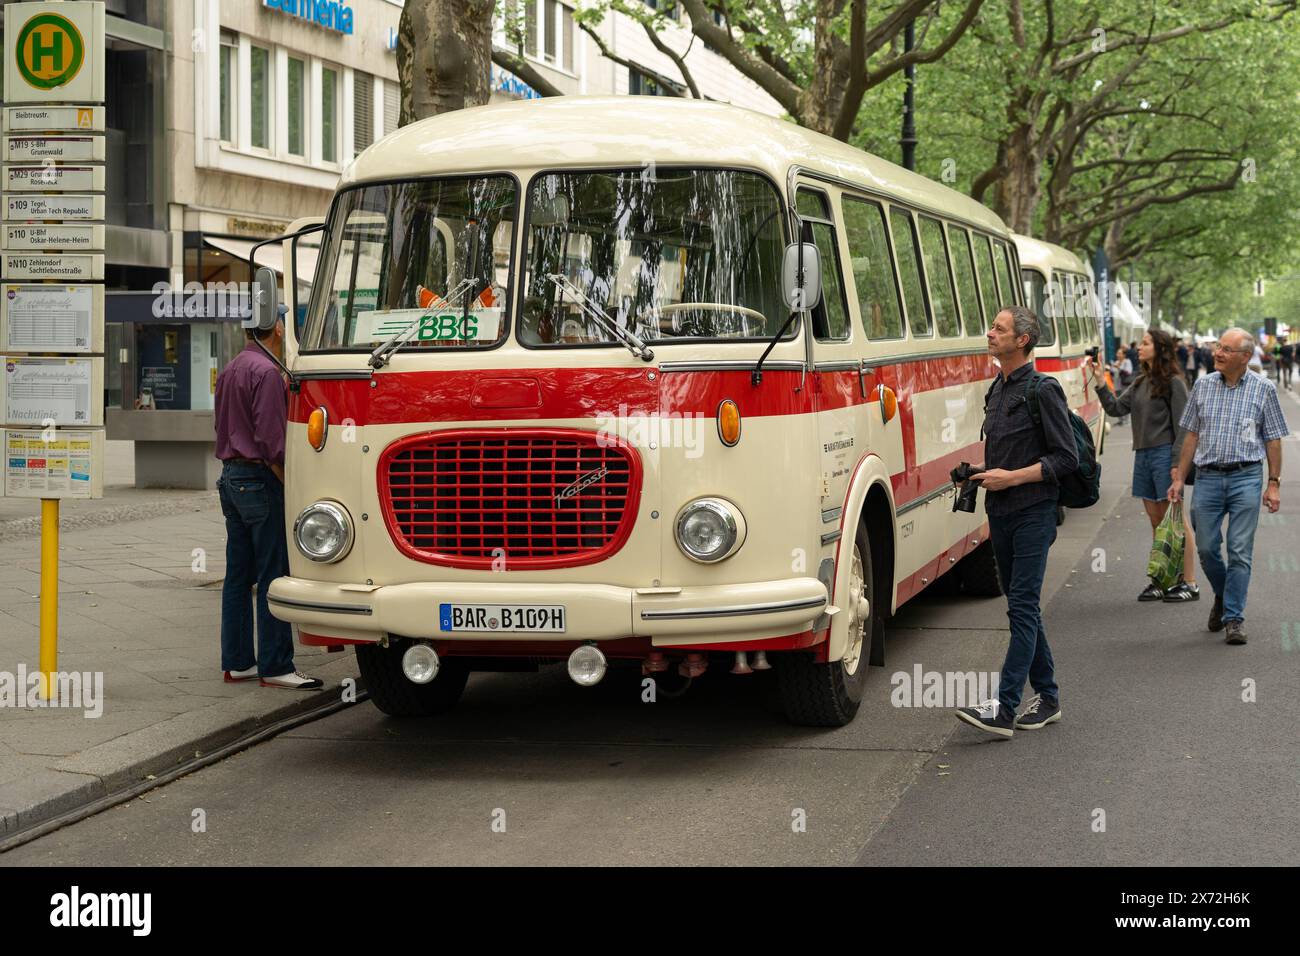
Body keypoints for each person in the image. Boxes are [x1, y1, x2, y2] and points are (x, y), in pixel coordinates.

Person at [955, 305, 1079, 737]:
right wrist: (980, 473)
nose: (990, 333)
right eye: (991, 326)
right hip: (1000, 512)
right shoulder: (998, 388)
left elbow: (1066, 458)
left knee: (1022, 606)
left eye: (999, 328)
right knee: (1020, 606)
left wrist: (1013, 478)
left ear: (1022, 340)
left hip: (1034, 512)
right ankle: (1048, 697)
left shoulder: (1043, 389)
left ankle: (1004, 708)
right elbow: (1004, 450)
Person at [214, 314, 323, 690]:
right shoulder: (267, 373)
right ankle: (276, 664)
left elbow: (221, 427)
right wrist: (293, 479)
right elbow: (273, 441)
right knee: (273, 573)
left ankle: (238, 661)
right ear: (277, 328)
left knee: (238, 576)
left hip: (230, 477)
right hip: (259, 479)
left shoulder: (231, 369)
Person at [1169, 328, 1288, 645]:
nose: (1217, 353)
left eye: (1225, 349)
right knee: (1207, 549)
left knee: (1239, 551)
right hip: (1207, 477)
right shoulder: (1203, 385)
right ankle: (1223, 596)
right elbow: (1191, 435)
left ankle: (1234, 618)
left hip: (1246, 477)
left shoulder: (1264, 389)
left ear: (1245, 357)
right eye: (1217, 347)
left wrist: (1273, 483)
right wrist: (1179, 477)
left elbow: (1273, 439)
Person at [1087, 330, 1199, 601]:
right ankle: (1162, 579)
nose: (1139, 348)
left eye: (1146, 344)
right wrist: (1101, 382)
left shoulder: (1174, 382)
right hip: (1143, 454)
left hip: (1164, 454)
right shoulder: (1140, 382)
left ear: (1160, 349)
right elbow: (1115, 409)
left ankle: (1190, 582)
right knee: (1156, 520)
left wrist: (1177, 466)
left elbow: (1183, 428)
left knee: (1175, 520)